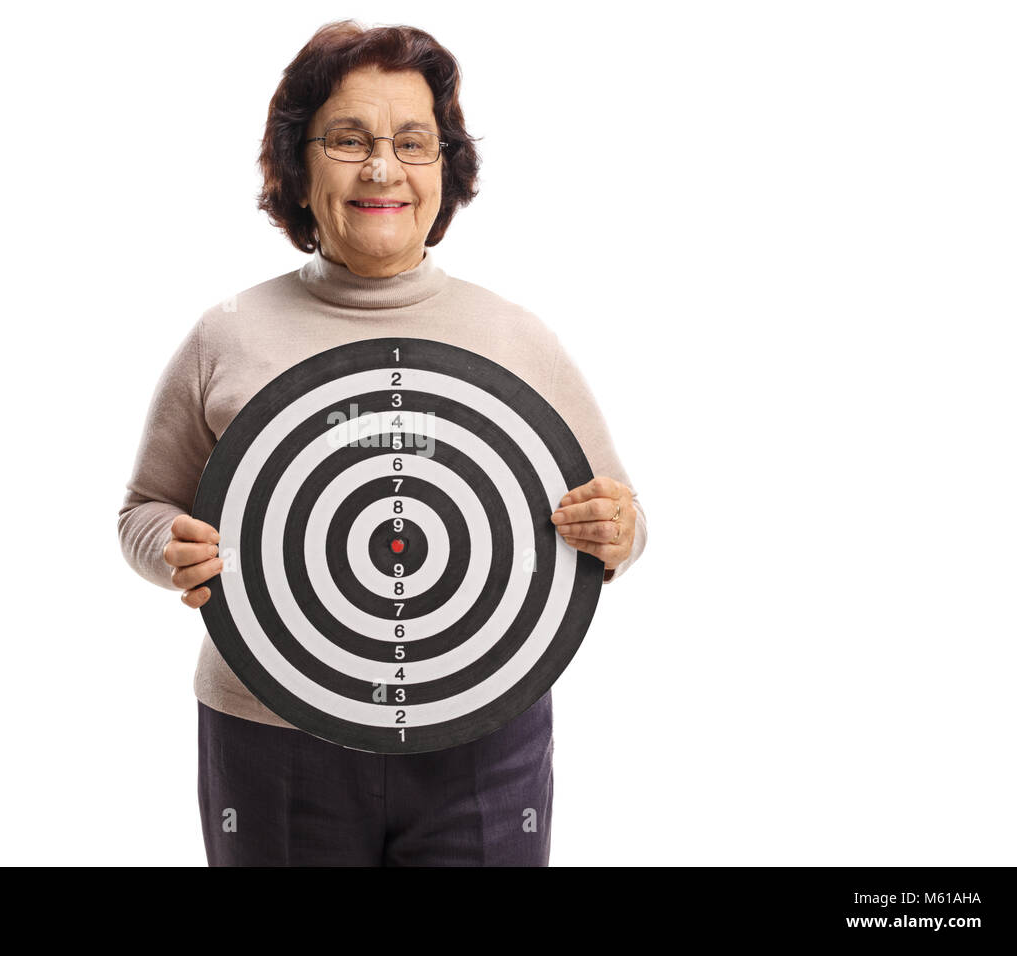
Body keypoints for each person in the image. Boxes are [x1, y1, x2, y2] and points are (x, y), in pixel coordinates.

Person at [118, 19, 647, 866]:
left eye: (412, 141)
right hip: (269, 733)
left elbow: (619, 519)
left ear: (446, 169)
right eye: (348, 139)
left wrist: (616, 529)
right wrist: (167, 546)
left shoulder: (514, 335)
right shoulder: (227, 334)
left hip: (484, 728)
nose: (381, 168)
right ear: (297, 167)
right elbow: (146, 508)